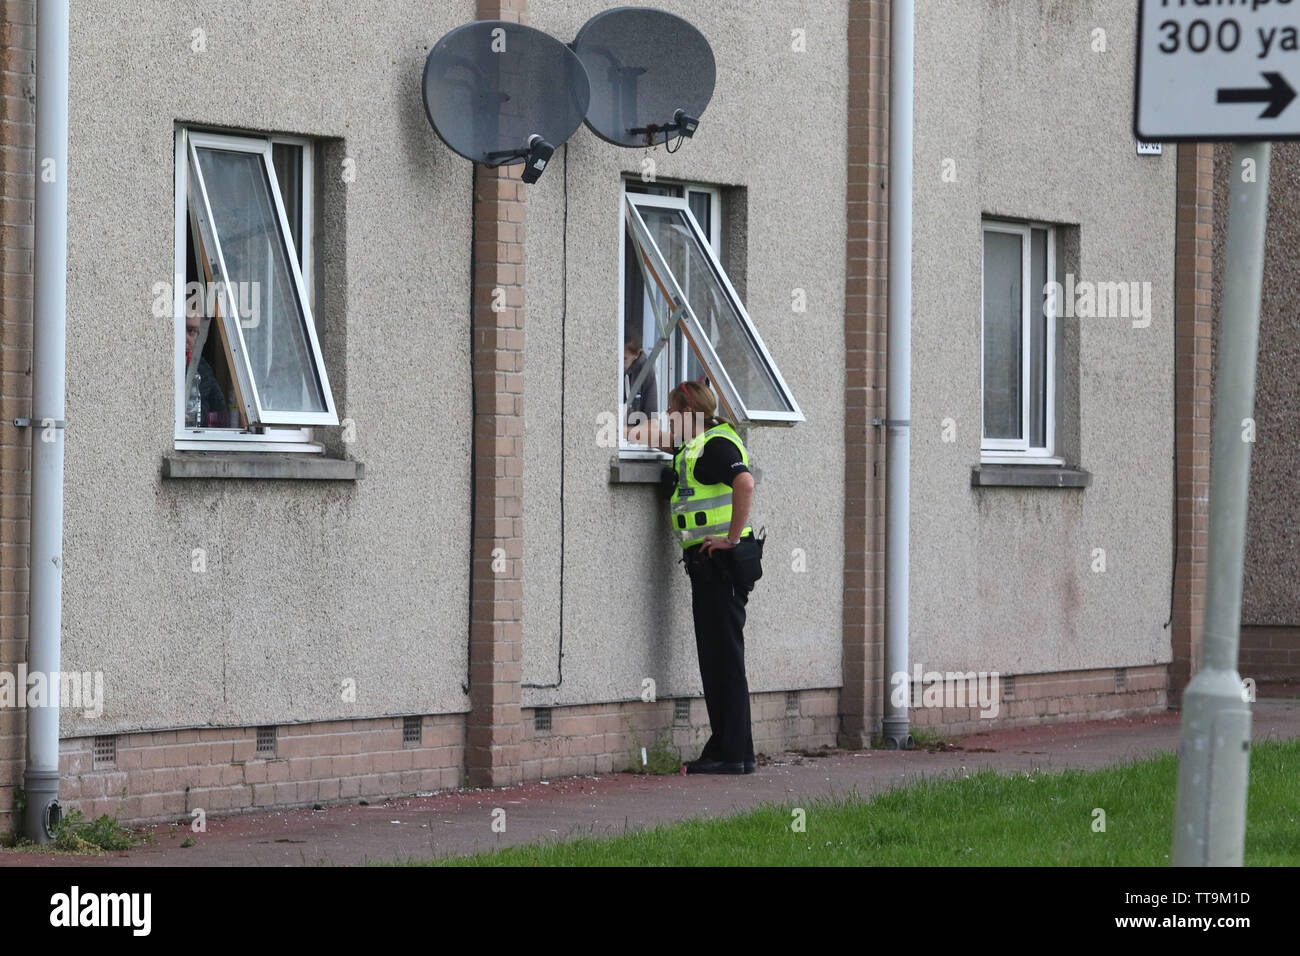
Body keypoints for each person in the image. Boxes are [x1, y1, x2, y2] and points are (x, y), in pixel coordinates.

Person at [628, 381, 761, 774]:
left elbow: (745, 482)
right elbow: (652, 437)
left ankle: (733, 755)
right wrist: (622, 428)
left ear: (688, 412)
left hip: (720, 565)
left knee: (725, 661)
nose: (668, 417)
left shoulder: (715, 445)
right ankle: (729, 750)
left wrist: (732, 539)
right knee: (719, 660)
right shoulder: (694, 446)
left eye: (672, 411)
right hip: (708, 567)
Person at [185, 315, 230, 427]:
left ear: (204, 337)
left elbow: (221, 421)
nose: (183, 338)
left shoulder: (203, 373)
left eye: (191, 332)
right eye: (177, 329)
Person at [623, 337, 657, 427]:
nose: (619, 364)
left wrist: (622, 432)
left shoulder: (645, 371)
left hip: (632, 438)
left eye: (624, 359)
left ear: (637, 354)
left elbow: (652, 423)